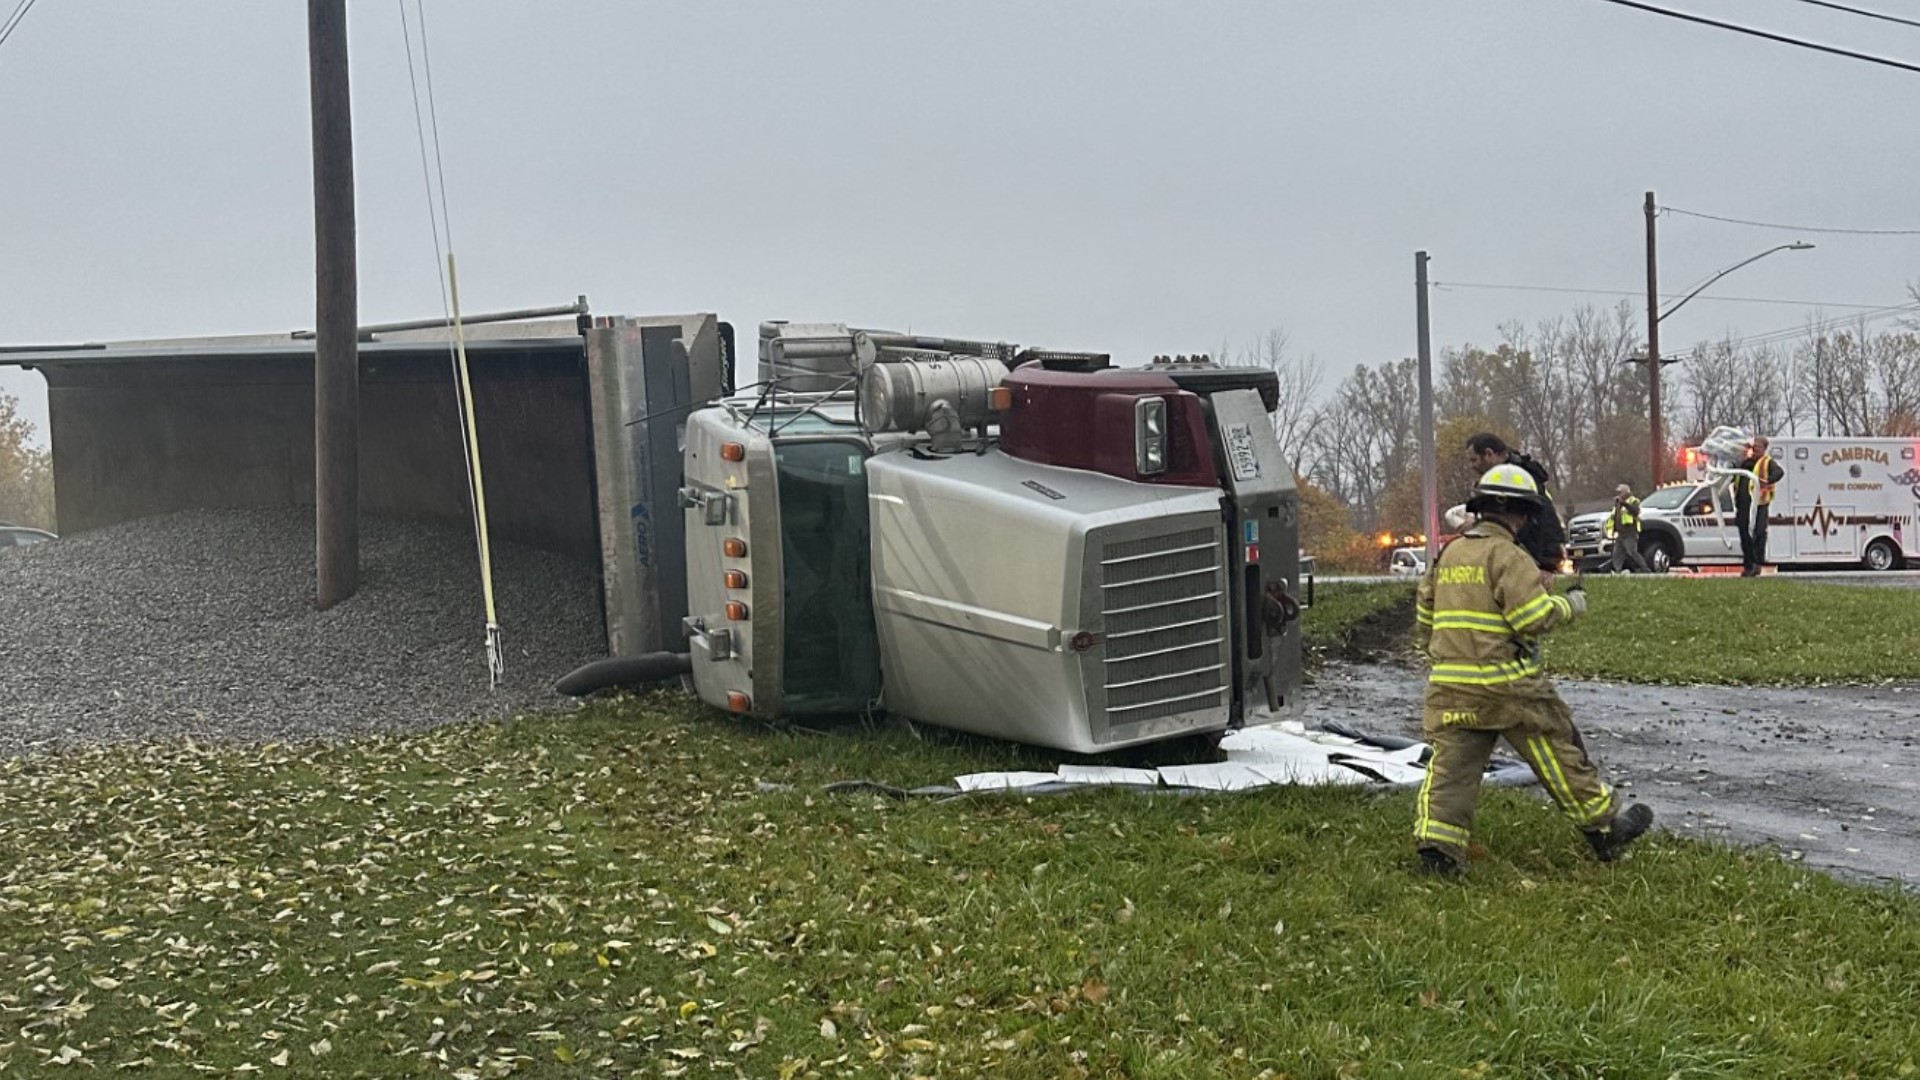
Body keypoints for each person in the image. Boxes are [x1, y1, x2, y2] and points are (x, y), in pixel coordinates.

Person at [1410, 463, 1654, 877]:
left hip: (1450, 683)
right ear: (1516, 512)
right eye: (1525, 513)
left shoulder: (1449, 553)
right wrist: (1570, 606)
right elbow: (1531, 618)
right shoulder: (1508, 555)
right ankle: (1605, 829)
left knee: (1451, 768)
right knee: (1555, 747)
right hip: (1506, 685)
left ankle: (1438, 853)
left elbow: (1424, 615)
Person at [1465, 433, 1567, 589]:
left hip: (1530, 556)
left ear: (1489, 454)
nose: (1471, 466)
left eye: (1474, 460)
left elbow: (1546, 517)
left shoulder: (1519, 479)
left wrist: (1548, 564)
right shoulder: (1512, 474)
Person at [1733, 436, 1784, 577]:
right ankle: (1748, 565)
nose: (1755, 448)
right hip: (1743, 506)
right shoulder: (1745, 463)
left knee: (1759, 533)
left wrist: (1768, 480)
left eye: (1759, 446)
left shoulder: (1767, 463)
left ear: (1764, 448)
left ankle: (1757, 563)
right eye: (1754, 446)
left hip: (1759, 505)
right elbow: (1734, 477)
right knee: (1744, 535)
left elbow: (1779, 473)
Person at [1605, 484, 1651, 574]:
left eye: (1620, 492)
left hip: (1630, 532)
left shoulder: (1633, 501)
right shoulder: (1618, 504)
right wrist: (1614, 528)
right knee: (1617, 554)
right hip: (1621, 534)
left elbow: (1635, 511)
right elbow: (1616, 516)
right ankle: (1617, 571)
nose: (1618, 494)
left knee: (1632, 552)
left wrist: (1624, 503)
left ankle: (1645, 569)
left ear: (1626, 492)